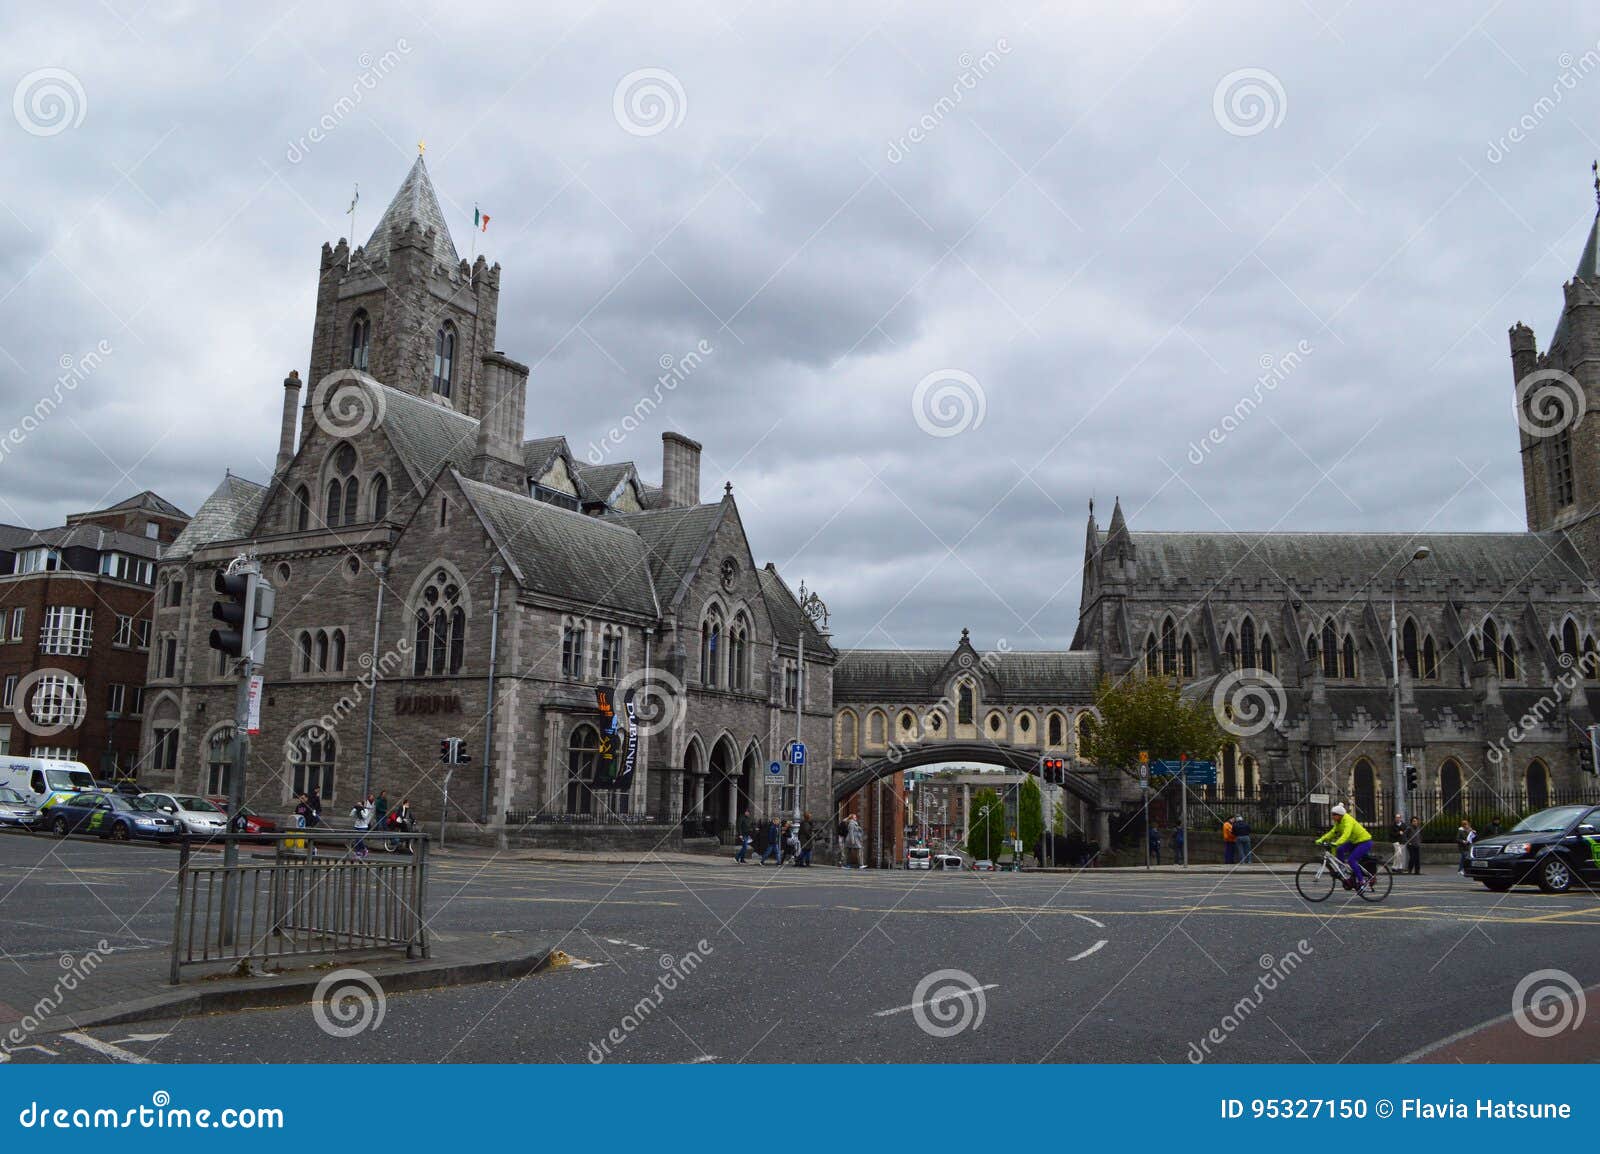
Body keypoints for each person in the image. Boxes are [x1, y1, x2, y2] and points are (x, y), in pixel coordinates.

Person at [1316, 803, 1374, 892]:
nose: (1332, 816)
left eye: (1334, 815)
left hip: (1365, 841)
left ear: (1340, 815)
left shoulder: (1348, 820)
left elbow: (1346, 834)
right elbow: (1332, 832)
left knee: (1352, 860)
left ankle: (1362, 881)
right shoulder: (1338, 822)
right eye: (1332, 814)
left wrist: (1337, 842)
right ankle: (1342, 869)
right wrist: (1321, 839)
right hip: (1355, 841)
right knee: (1340, 849)